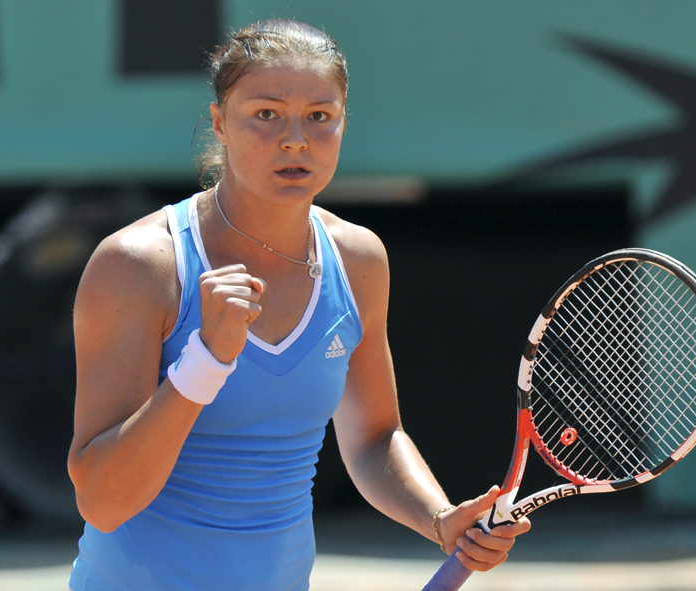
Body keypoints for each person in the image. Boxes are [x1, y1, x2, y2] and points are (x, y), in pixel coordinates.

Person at [67, 18, 530, 591]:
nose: (295, 139)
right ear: (220, 123)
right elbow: (104, 502)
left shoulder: (359, 259)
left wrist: (439, 520)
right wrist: (204, 363)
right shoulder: (139, 266)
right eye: (266, 114)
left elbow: (374, 439)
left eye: (320, 116)